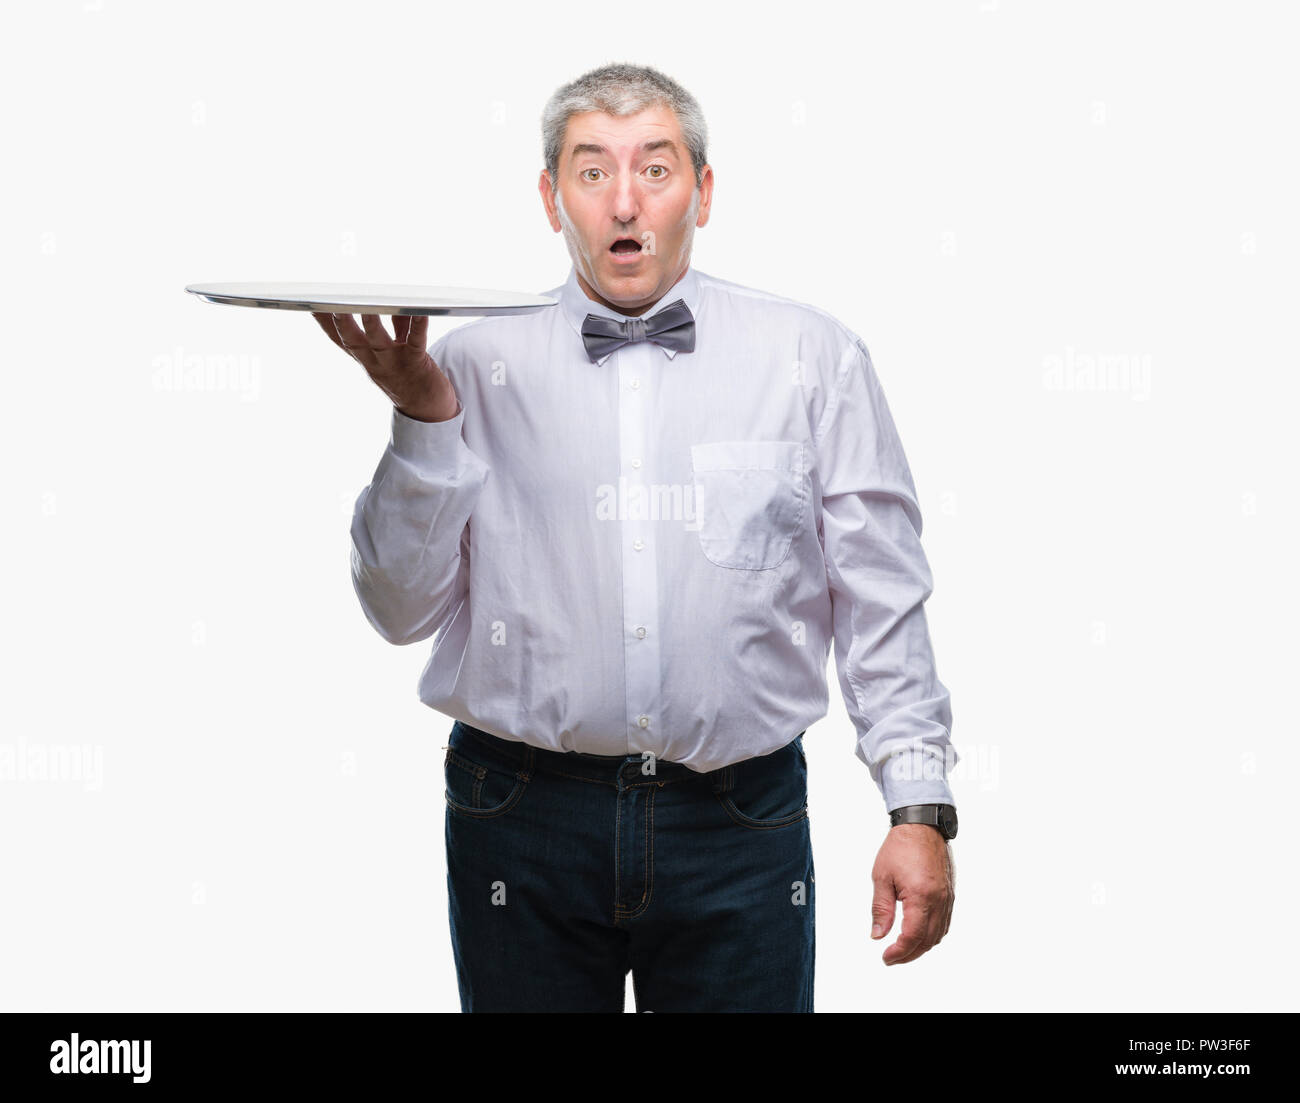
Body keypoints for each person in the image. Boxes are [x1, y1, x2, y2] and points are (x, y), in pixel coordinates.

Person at [312, 62, 958, 1013]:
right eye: (590, 171)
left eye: (655, 169)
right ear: (548, 197)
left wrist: (918, 805)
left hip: (742, 820)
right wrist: (423, 424)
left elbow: (880, 597)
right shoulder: (464, 365)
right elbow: (396, 612)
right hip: (518, 814)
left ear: (703, 189)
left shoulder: (813, 358)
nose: (624, 201)